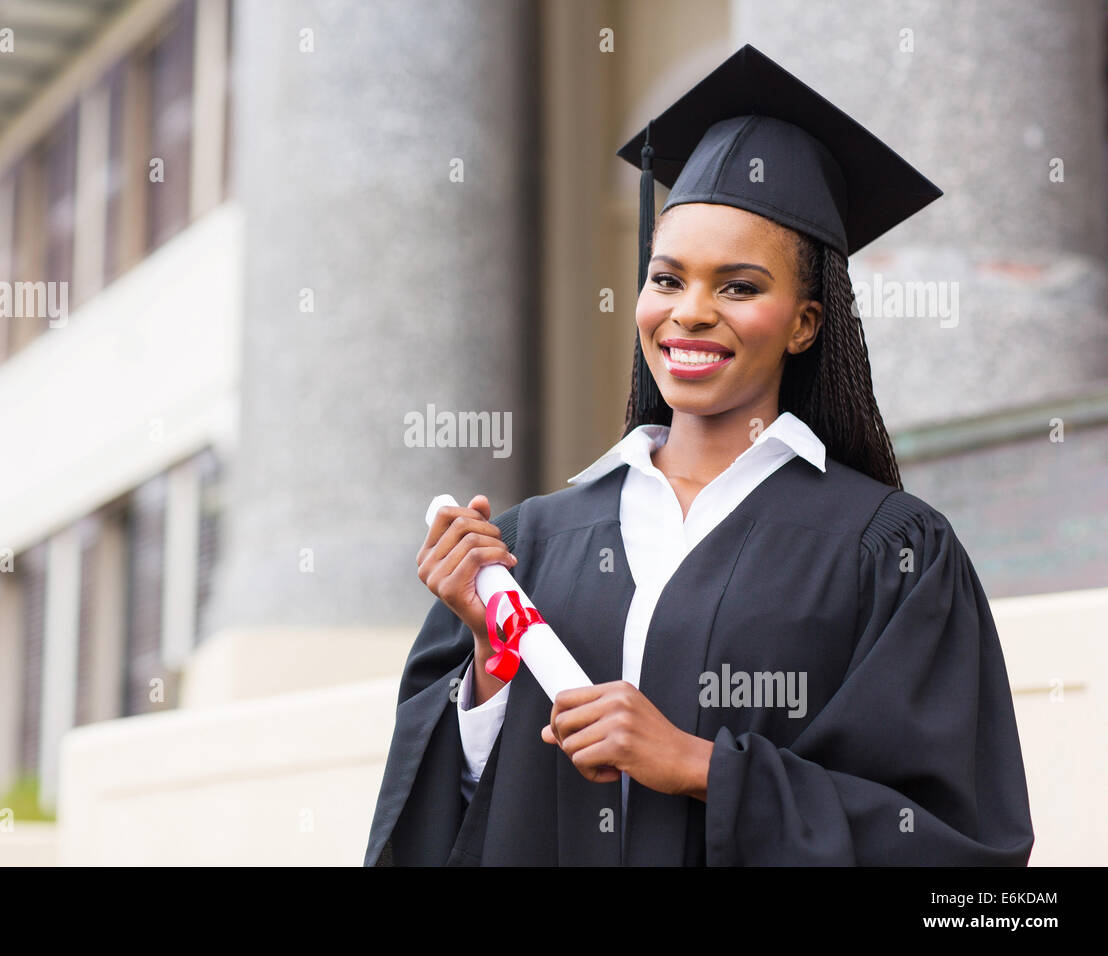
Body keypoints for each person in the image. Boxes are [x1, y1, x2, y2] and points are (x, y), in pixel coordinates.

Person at [364, 44, 1035, 866]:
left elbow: (954, 848)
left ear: (805, 323)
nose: (690, 313)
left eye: (740, 286)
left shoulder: (891, 552)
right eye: (667, 278)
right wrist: (492, 666)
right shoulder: (530, 546)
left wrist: (703, 768)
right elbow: (434, 827)